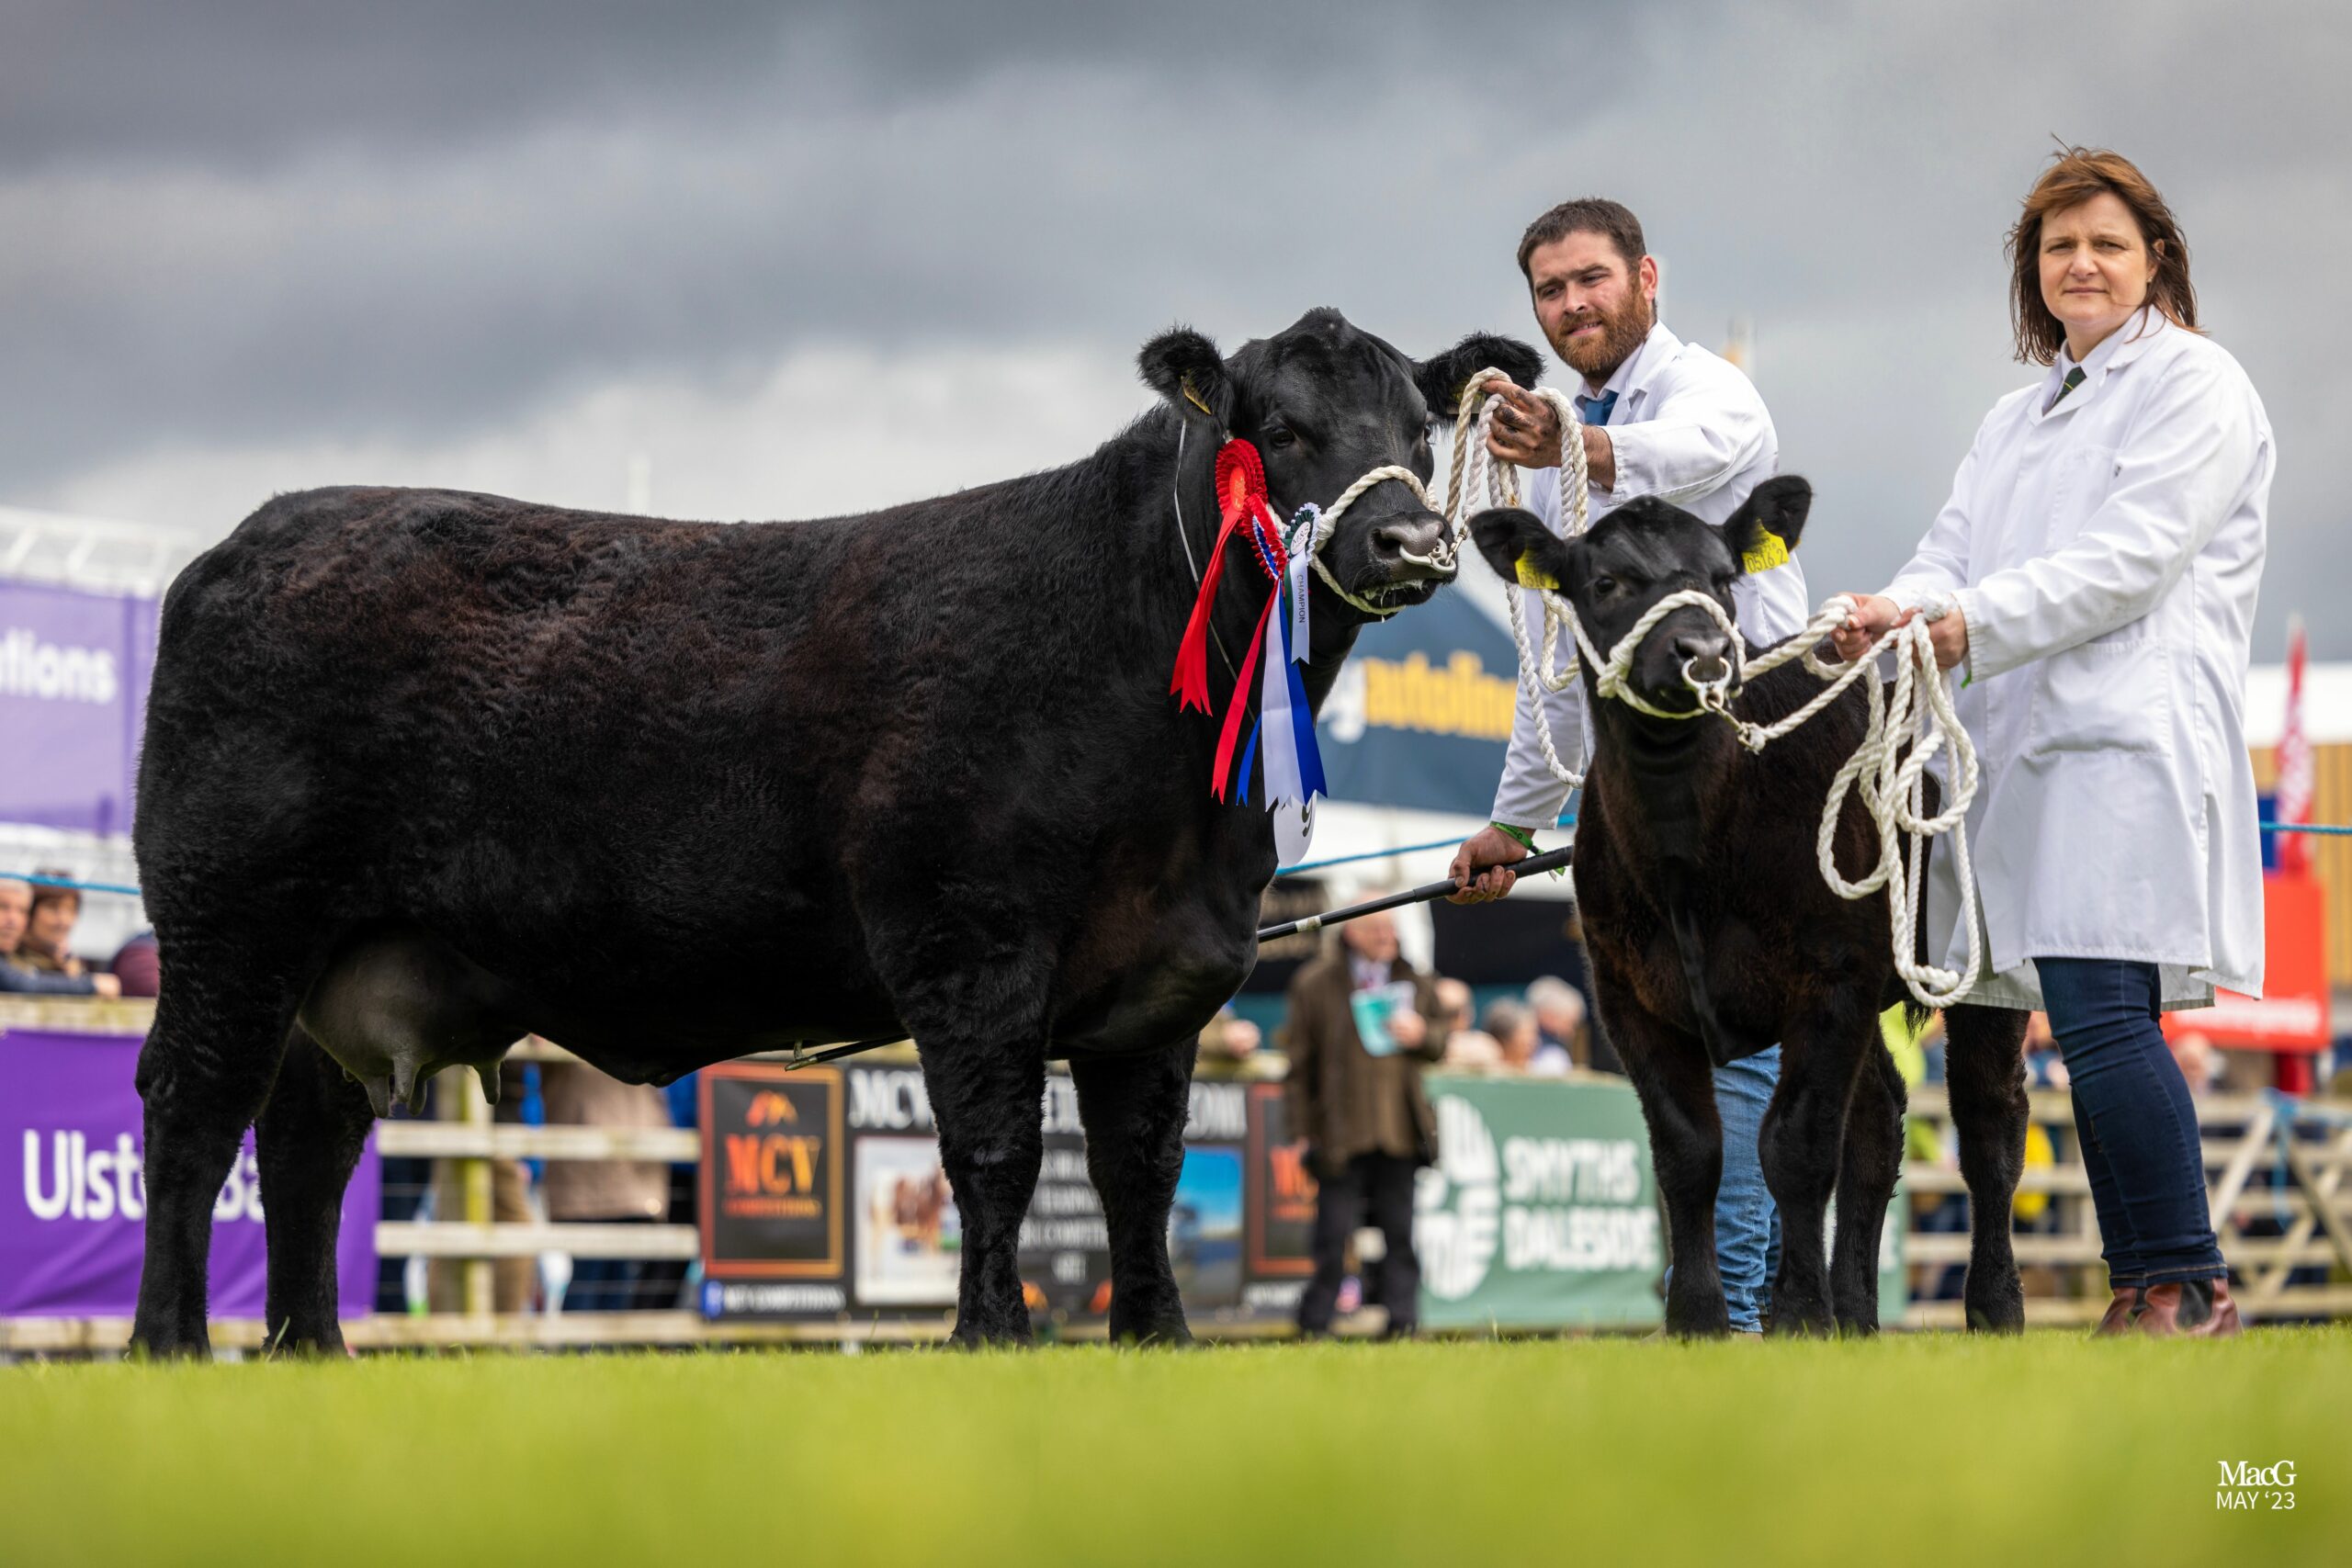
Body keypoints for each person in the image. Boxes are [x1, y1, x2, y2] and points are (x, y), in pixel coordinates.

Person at [1832, 148, 2271, 1339]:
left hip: (2126, 738)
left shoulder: (2196, 383)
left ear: (2155, 261)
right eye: (2058, 245)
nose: (2080, 262)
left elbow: (2133, 555)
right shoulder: (2016, 416)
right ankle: (2145, 1288)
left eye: (2106, 243)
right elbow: (1951, 549)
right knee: (2084, 1015)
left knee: (2102, 1007)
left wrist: (1967, 624)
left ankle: (2185, 1280)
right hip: (2018, 748)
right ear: (2034, 270)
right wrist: (1888, 609)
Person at [1448, 196, 1804, 1332]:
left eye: (1590, 279)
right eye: (1550, 291)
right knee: (1690, 1032)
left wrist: (1577, 446)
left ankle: (1735, 1309)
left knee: (1741, 1038)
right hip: (1641, 781)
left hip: (1754, 759)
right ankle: (1726, 1302)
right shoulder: (1564, 438)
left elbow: (1721, 449)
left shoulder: (1702, 388)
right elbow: (1557, 661)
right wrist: (1512, 823)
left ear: (1646, 278)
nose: (1571, 305)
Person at [1280, 908, 1448, 1338]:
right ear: (1351, 933)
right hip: (1339, 1133)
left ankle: (1403, 1322)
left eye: (1391, 930)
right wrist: (1300, 1131)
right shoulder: (1315, 983)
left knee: (1400, 1235)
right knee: (1332, 1236)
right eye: (1376, 928)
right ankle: (1314, 1323)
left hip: (1399, 1131)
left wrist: (1421, 1034)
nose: (1386, 937)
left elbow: (1441, 1040)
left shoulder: (1414, 979)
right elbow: (1299, 1066)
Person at [0, 876, 120, 997]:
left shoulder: (64, 961)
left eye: (22, 911)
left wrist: (75, 974)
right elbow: (21, 984)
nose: (13, 920)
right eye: (3, 907)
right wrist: (90, 984)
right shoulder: (13, 964)